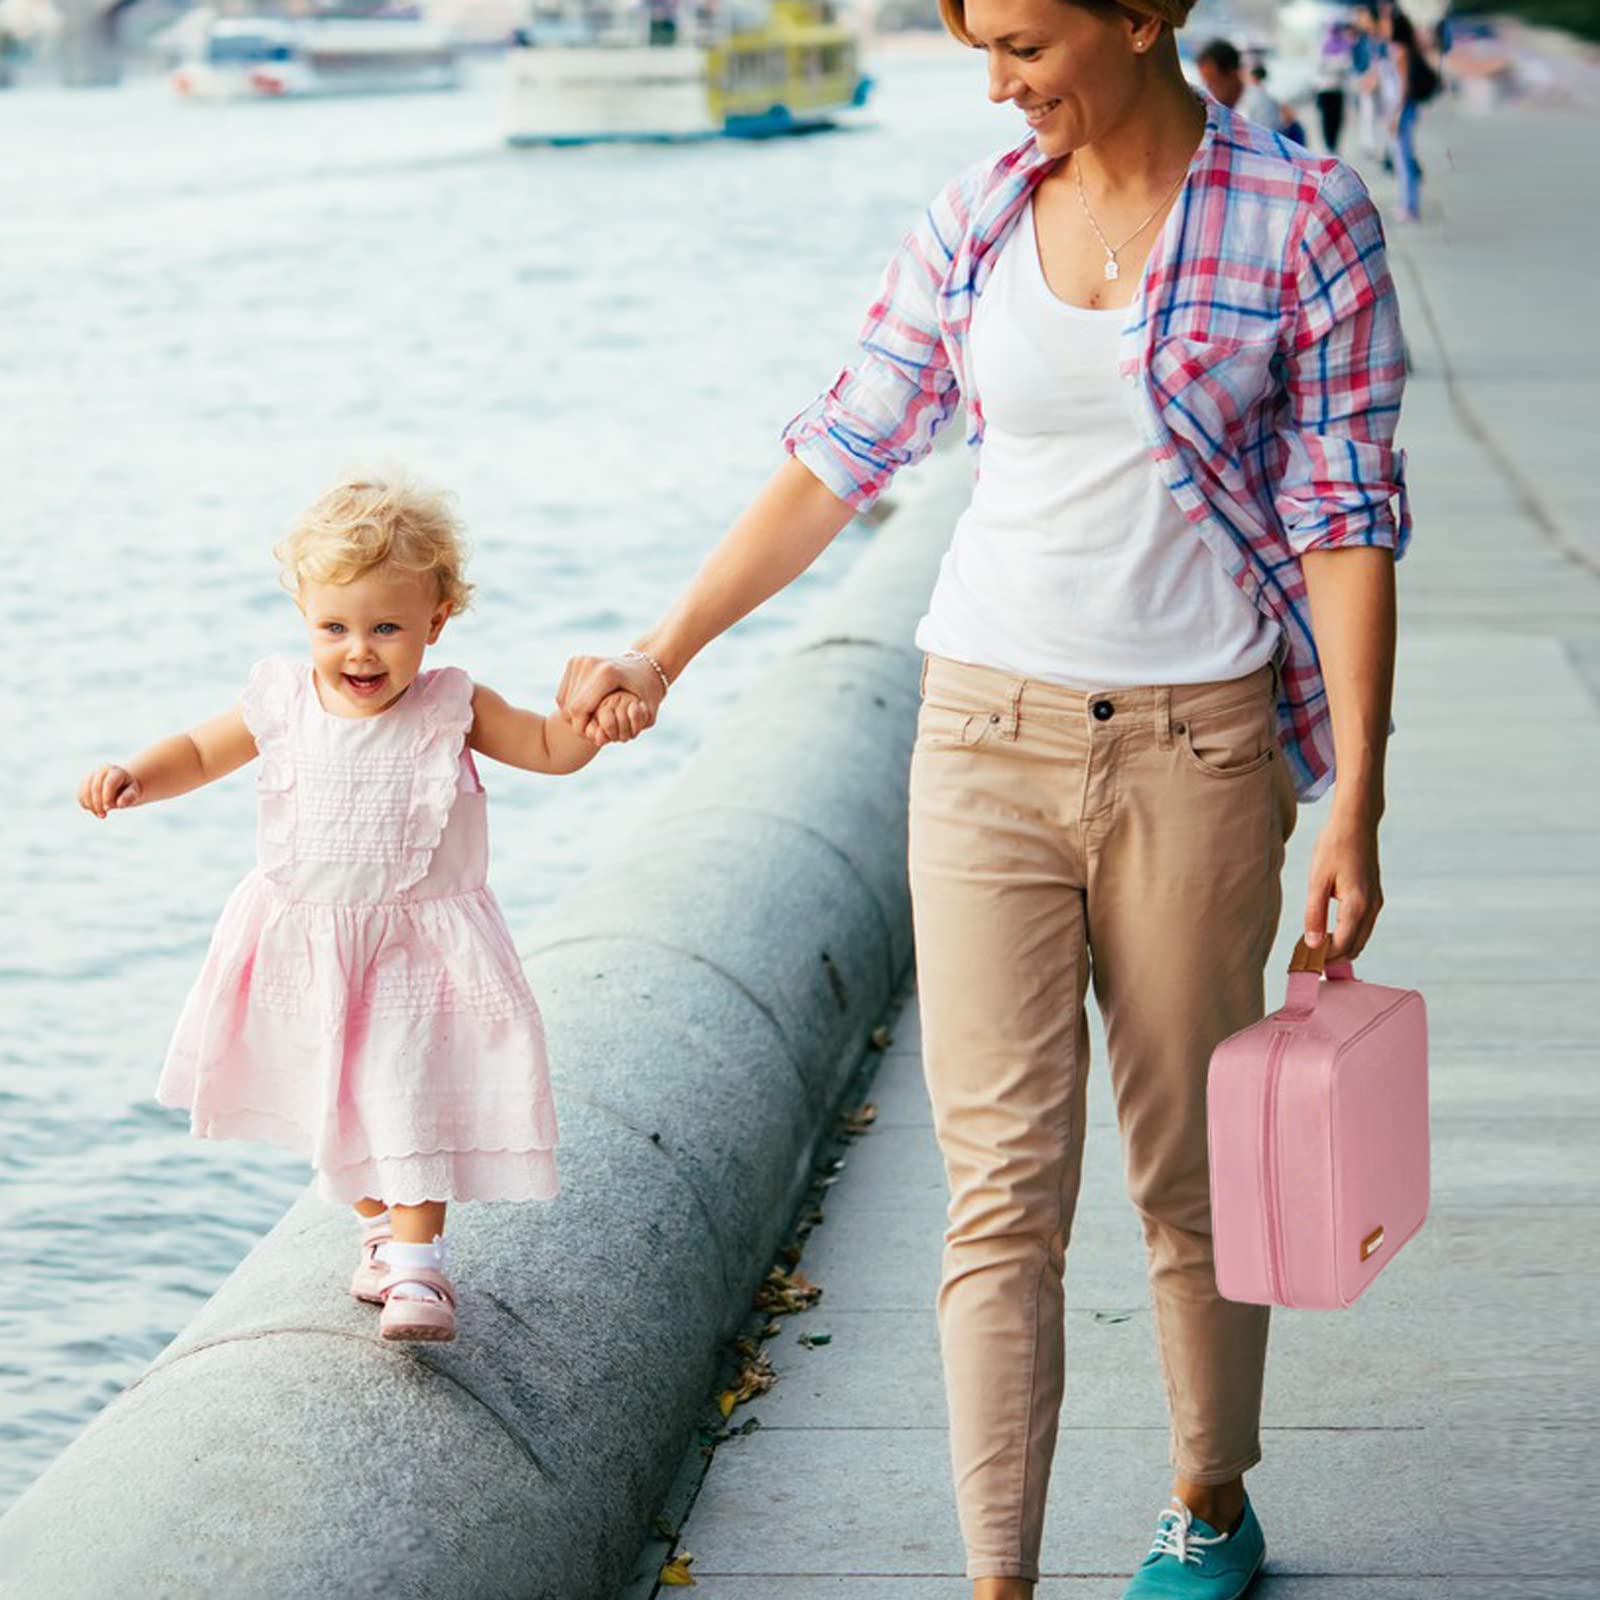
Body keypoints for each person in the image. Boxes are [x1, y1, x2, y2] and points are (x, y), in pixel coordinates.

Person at [557, 0, 1410, 1590]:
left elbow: (1349, 515)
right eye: (983, 51)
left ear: (1144, 18)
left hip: (1198, 753)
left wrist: (1355, 795)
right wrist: (661, 650)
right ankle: (996, 1579)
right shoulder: (975, 217)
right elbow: (840, 453)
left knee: (1186, 1172)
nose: (1001, 82)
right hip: (979, 739)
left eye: (1026, 43)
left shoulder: (1304, 218)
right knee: (1001, 1192)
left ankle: (1208, 1507)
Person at [77, 476, 648, 1343]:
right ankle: (380, 1232)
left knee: (408, 1090)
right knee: (340, 1097)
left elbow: (545, 746)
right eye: (335, 627)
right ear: (303, 613)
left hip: (421, 948)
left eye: (387, 627)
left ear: (437, 620)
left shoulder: (453, 704)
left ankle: (421, 1268)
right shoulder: (280, 699)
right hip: (310, 940)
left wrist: (593, 723)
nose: (361, 651)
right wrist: (136, 778)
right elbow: (198, 750)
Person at [1382, 5, 1436, 221]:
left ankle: (1410, 207)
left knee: (1403, 158)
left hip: (1402, 108)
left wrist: (1395, 115)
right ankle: (1408, 204)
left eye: (1387, 22)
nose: (1383, 26)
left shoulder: (1399, 50)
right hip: (1403, 107)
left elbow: (1403, 87)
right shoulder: (1403, 47)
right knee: (1403, 157)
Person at [1314, 18, 1354, 153]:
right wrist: (1336, 64)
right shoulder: (1323, 45)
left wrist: (1332, 64)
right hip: (1325, 89)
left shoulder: (1344, 45)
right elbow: (1319, 66)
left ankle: (1334, 146)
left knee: (1337, 119)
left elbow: (1347, 64)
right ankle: (1328, 146)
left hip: (1338, 90)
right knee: (1326, 120)